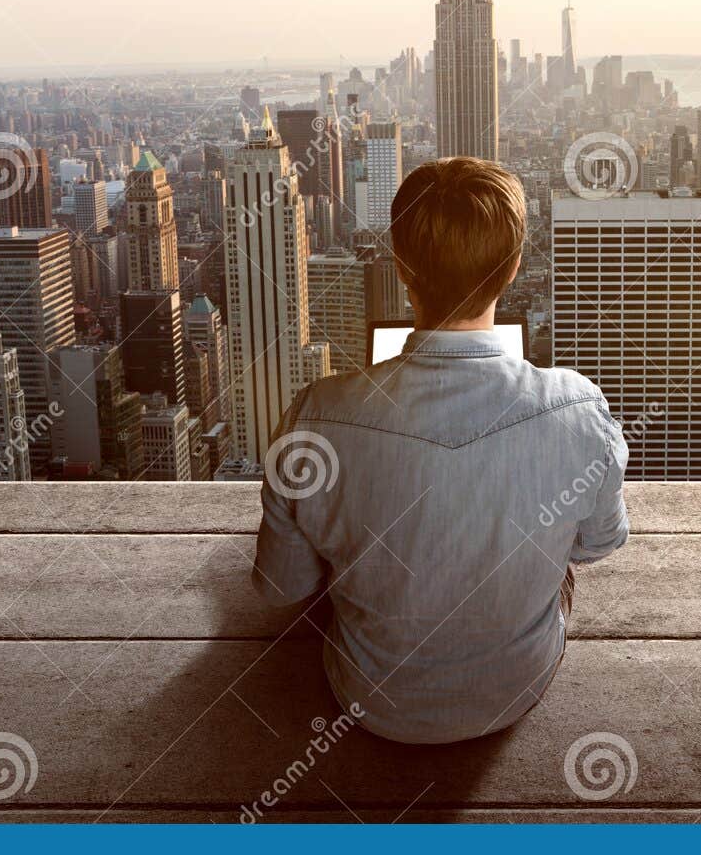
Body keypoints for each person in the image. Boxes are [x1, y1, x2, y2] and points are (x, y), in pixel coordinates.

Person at [251, 156, 630, 744]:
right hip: (515, 691)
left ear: (401, 269)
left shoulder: (316, 417)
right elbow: (598, 543)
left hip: (366, 700)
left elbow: (283, 588)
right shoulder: (579, 410)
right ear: (514, 269)